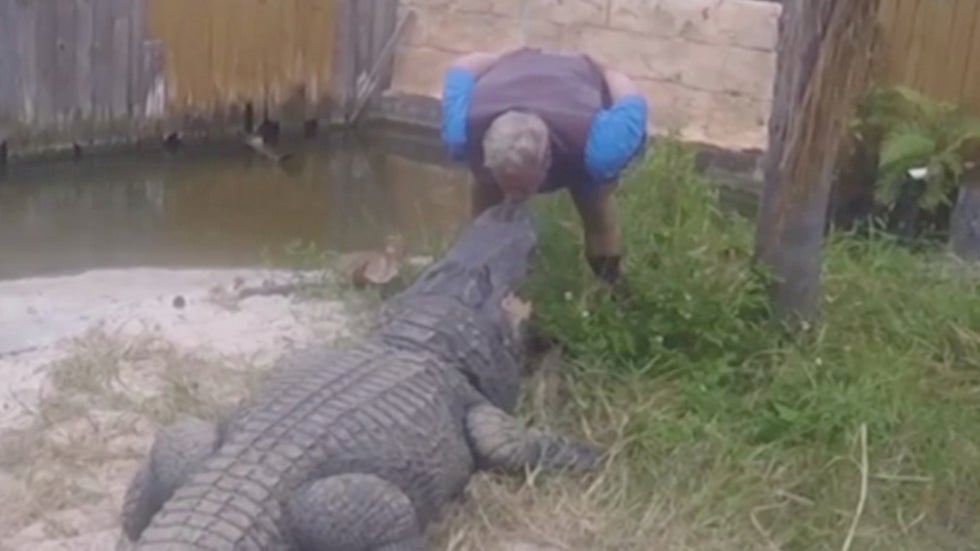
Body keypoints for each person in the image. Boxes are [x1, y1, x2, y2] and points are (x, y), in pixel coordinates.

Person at [439, 47, 649, 287]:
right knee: (483, 206)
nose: (514, 197)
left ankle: (610, 284)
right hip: (515, 73)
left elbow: (630, 98)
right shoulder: (463, 134)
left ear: (547, 160)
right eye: (507, 183)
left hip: (578, 97)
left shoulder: (601, 147)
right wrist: (503, 60)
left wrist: (605, 70)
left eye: (522, 187)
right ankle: (476, 276)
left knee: (596, 209)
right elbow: (465, 65)